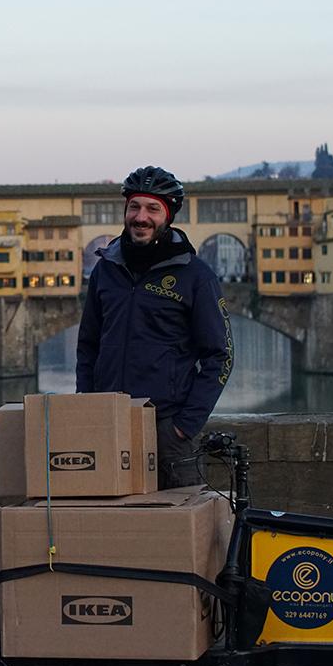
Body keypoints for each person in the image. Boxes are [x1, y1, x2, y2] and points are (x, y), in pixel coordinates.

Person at [77, 166, 233, 488]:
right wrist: (86, 405)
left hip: (168, 429)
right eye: (134, 206)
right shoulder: (106, 270)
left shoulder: (196, 276)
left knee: (181, 529)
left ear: (168, 216)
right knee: (112, 524)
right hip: (109, 422)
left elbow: (221, 355)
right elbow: (88, 345)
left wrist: (184, 425)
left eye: (152, 209)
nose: (141, 217)